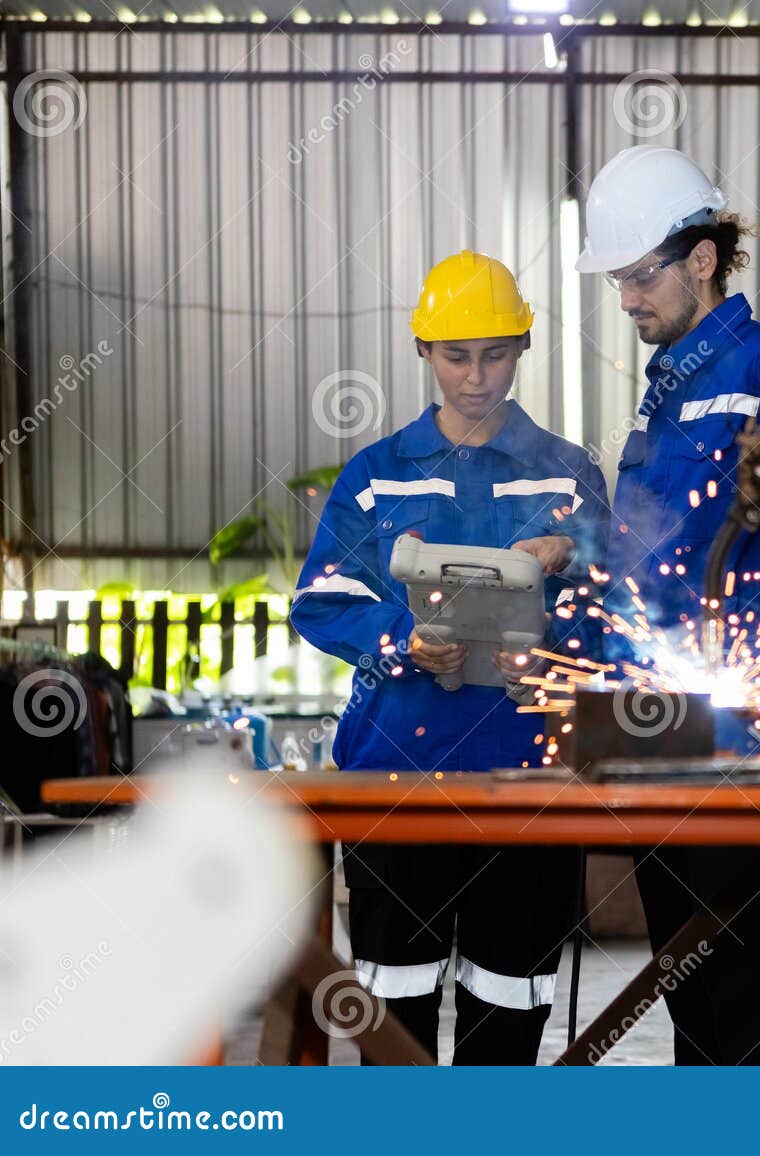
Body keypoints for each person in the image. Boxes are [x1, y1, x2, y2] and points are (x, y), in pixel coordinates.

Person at [576, 146, 760, 1064]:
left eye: (640, 276)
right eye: (618, 280)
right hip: (654, 739)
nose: (626, 299)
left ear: (701, 260)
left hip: (745, 746)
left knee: (750, 1012)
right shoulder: (662, 398)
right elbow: (637, 569)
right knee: (692, 1006)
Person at [290, 250, 609, 1064]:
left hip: (526, 775)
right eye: (457, 356)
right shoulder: (374, 478)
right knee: (392, 1012)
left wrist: (552, 643)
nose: (476, 377)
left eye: (495, 355)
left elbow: (613, 609)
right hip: (396, 774)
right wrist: (402, 641)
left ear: (523, 346)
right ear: (424, 351)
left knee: (510, 1001)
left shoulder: (569, 476)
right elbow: (322, 601)